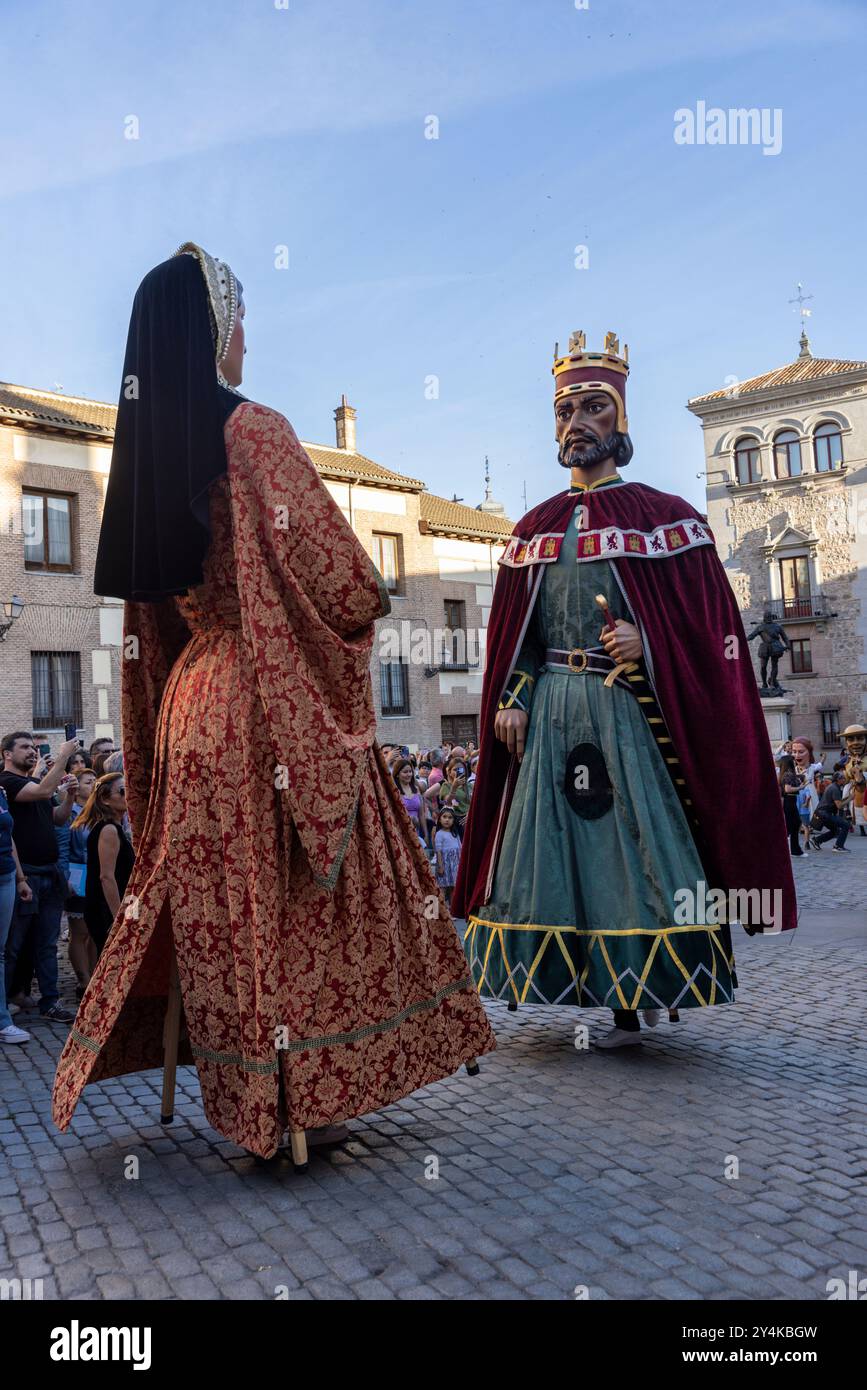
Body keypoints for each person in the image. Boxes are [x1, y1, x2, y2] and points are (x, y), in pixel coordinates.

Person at [52, 242, 494, 1163]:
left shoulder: (148, 461)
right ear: (212, 330)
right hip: (267, 697)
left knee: (227, 901)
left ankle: (247, 1090)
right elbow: (341, 582)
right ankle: (301, 1103)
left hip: (191, 701)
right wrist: (366, 609)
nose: (247, 336)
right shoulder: (253, 431)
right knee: (296, 901)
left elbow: (152, 625)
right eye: (237, 316)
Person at [452, 329, 796, 1048]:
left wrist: (649, 643)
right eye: (564, 410)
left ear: (621, 420)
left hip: (627, 716)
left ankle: (635, 998)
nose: (575, 422)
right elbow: (517, 637)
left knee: (630, 855)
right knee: (552, 859)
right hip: (548, 713)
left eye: (593, 407)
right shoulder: (531, 530)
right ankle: (562, 983)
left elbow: (710, 639)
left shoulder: (666, 520)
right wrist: (512, 696)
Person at [0, 732, 79, 1023]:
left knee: (47, 943)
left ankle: (50, 1002)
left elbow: (57, 817)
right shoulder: (8, 783)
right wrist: (63, 757)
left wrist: (70, 797)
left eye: (34, 748)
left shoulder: (35, 783)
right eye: (24, 748)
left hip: (50, 874)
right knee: (13, 945)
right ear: (7, 754)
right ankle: (6, 1001)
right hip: (26, 877)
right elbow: (44, 793)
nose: (32, 752)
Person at [71, 773, 136, 953]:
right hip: (107, 907)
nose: (128, 795)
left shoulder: (118, 827)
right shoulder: (108, 829)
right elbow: (106, 877)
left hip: (127, 901)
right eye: (123, 791)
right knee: (114, 961)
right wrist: (120, 919)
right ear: (105, 799)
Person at [56, 766, 98, 995]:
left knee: (94, 931)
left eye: (94, 781)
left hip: (98, 875)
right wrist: (65, 878)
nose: (92, 785)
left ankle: (94, 975)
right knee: (80, 931)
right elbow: (63, 847)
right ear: (76, 787)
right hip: (78, 875)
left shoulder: (99, 810)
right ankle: (83, 980)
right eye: (87, 782)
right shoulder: (69, 812)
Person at [0, 782, 34, 1044]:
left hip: (6, 876)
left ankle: (2, 1020)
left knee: (0, 952)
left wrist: (20, 877)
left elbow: (8, 835)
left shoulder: (0, 793)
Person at [392, 758, 428, 849]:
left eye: (410, 771)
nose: (408, 774)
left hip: (416, 831)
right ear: (397, 774)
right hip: (402, 832)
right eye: (405, 772)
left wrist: (426, 833)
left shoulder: (416, 789)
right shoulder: (395, 791)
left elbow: (421, 814)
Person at [811, 772, 851, 852]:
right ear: (838, 779)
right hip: (825, 814)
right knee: (846, 825)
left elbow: (837, 801)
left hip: (822, 813)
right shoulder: (835, 789)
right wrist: (850, 799)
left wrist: (849, 796)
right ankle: (838, 846)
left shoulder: (833, 786)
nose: (845, 779)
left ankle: (817, 840)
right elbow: (839, 805)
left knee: (835, 831)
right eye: (843, 778)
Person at [434, 807, 462, 908]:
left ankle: (452, 908)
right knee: (443, 887)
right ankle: (441, 910)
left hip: (455, 864)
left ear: (453, 820)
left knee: (453, 887)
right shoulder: (439, 834)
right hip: (445, 864)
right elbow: (438, 851)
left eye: (450, 818)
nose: (447, 820)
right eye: (444, 817)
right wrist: (440, 866)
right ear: (440, 819)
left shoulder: (455, 834)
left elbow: (460, 848)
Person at [778, 755, 804, 856]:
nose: (795, 762)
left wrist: (800, 776)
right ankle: (794, 850)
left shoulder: (785, 774)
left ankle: (795, 850)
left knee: (793, 825)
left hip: (790, 801)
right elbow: (788, 789)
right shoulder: (788, 774)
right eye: (793, 761)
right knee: (793, 825)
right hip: (790, 800)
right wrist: (801, 787)